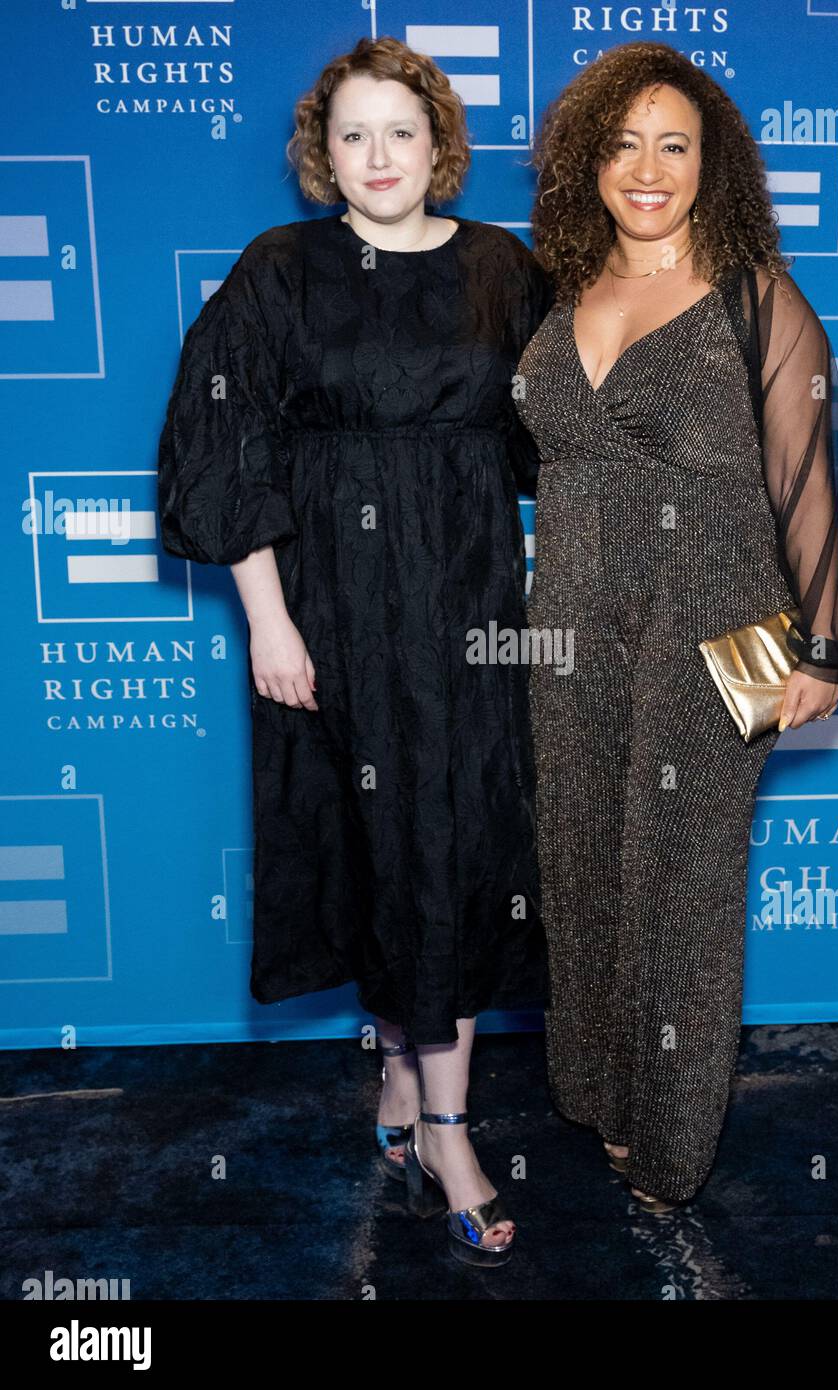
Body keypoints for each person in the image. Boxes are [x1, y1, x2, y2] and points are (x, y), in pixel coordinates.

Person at [157, 35, 554, 1264]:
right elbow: (225, 451)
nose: (378, 157)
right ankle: (423, 1106)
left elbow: (572, 439)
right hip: (331, 611)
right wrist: (268, 620)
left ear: (441, 143)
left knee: (464, 846)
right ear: (318, 155)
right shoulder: (280, 271)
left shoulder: (504, 269)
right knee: (379, 846)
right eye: (351, 135)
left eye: (401, 131)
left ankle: (435, 1114)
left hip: (470, 605)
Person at [516, 42, 838, 1213]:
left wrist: (820, 649)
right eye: (622, 142)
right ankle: (600, 1091)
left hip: (712, 623)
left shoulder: (756, 298)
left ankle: (663, 1145)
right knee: (579, 868)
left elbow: (809, 480)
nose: (648, 166)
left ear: (711, 165)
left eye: (675, 143)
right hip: (568, 626)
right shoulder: (565, 295)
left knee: (676, 886)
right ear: (586, 162)